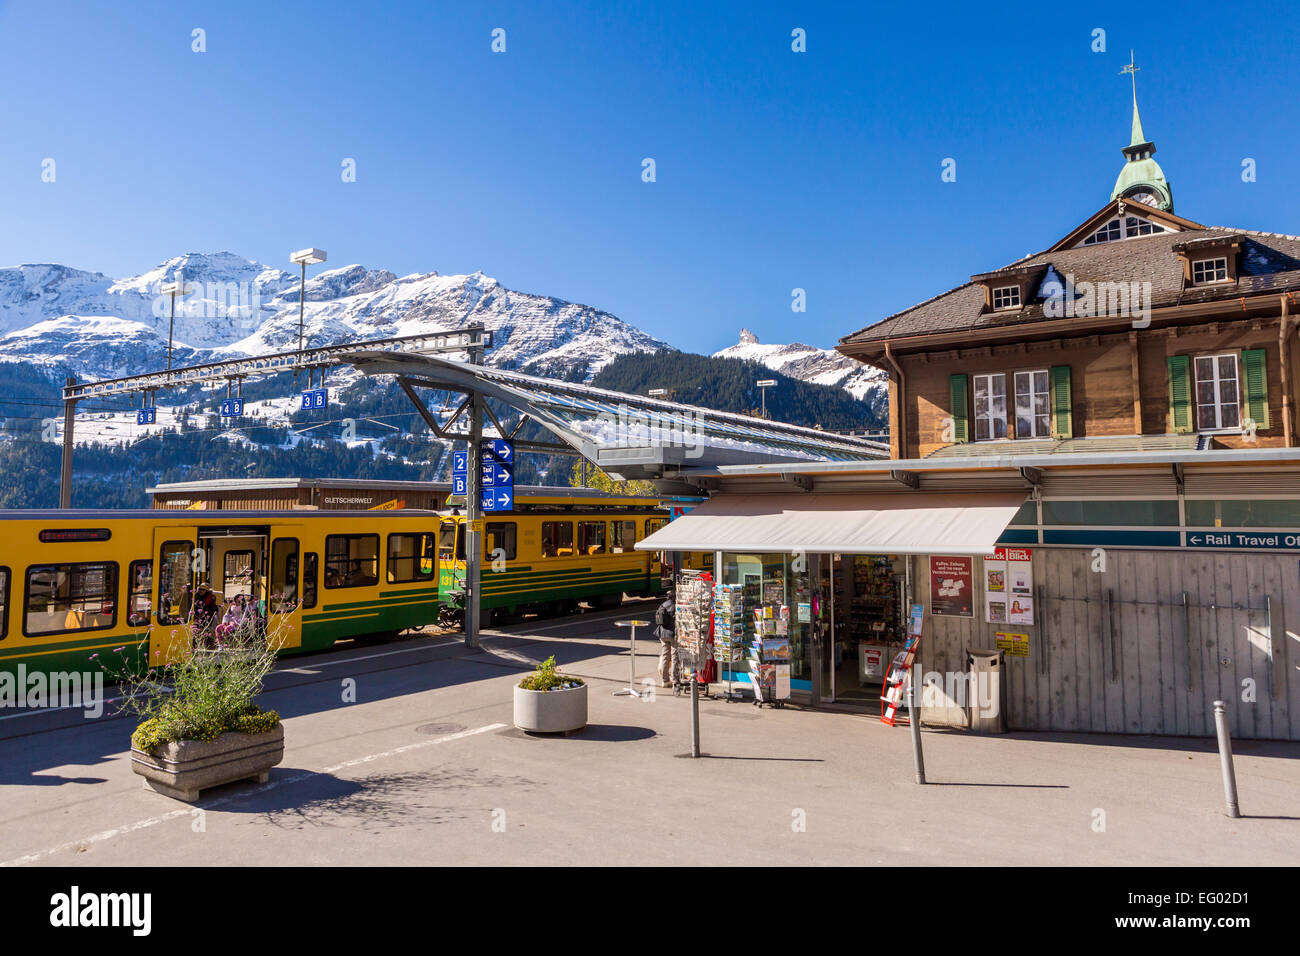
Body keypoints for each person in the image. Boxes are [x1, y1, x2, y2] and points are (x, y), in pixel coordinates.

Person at [654, 594, 679, 688]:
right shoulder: (675, 606)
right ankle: (675, 680)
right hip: (672, 634)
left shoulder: (662, 605)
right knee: (674, 656)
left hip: (662, 634)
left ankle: (665, 681)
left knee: (665, 656)